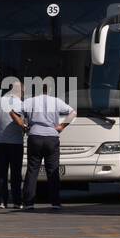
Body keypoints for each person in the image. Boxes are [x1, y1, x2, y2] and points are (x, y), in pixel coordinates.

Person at [21, 81, 76, 211]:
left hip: (34, 136)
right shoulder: (56, 101)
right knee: (52, 170)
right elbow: (73, 112)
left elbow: (16, 112)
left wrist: (24, 125)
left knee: (32, 170)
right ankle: (55, 202)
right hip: (52, 137)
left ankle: (29, 203)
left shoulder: (30, 101)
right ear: (49, 89)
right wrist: (62, 126)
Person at [0, 79, 27, 210]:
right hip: (16, 143)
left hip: (0, 143)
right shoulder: (20, 104)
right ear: (18, 90)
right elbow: (22, 123)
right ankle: (17, 201)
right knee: (15, 173)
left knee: (1, 172)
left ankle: (2, 201)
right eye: (23, 90)